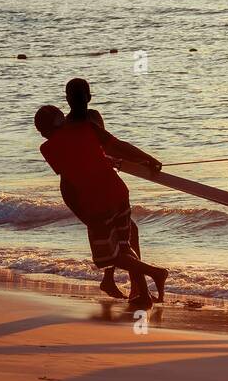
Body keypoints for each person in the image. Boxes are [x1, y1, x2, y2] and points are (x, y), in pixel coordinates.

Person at [35, 90, 168, 305]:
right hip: (119, 193)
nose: (41, 135)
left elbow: (67, 185)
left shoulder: (48, 147)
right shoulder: (89, 127)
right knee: (125, 245)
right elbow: (120, 146)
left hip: (96, 204)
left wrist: (80, 213)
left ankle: (156, 273)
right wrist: (148, 158)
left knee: (107, 257)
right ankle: (142, 294)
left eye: (41, 130)